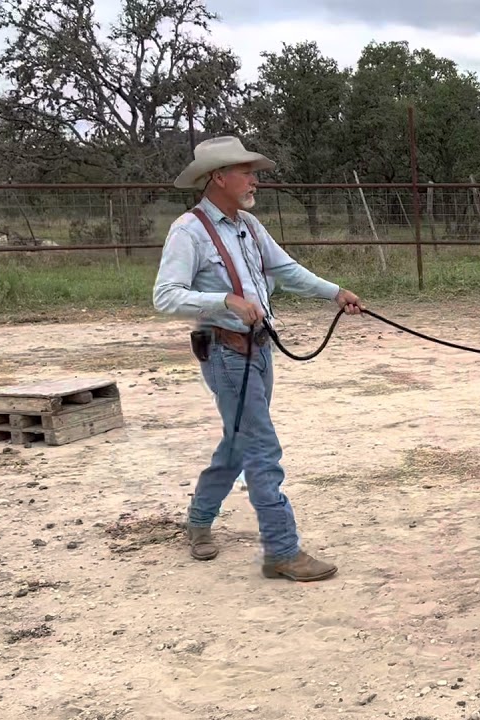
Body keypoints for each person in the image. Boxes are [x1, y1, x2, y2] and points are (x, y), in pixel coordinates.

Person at [152, 135, 364, 582]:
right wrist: (225, 302)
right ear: (218, 177)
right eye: (246, 172)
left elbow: (285, 269)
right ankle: (282, 550)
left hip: (259, 350)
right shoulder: (188, 231)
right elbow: (166, 296)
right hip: (226, 354)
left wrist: (335, 292)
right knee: (261, 448)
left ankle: (199, 521)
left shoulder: (248, 225)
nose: (254, 181)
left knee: (239, 444)